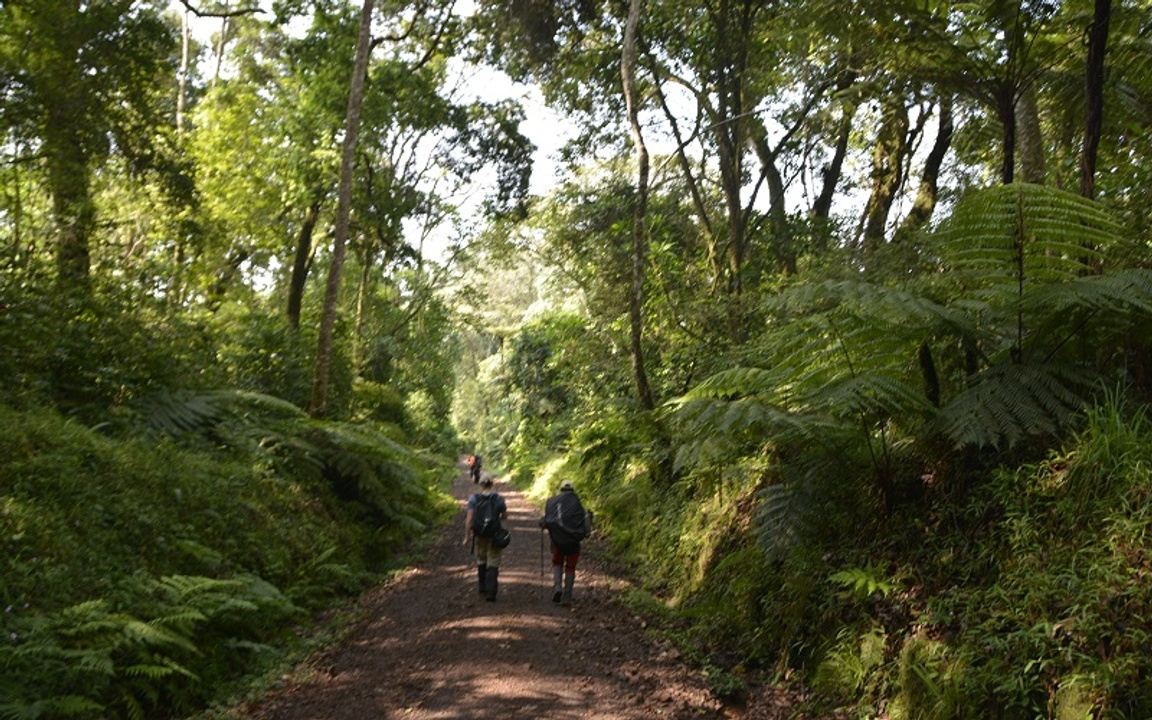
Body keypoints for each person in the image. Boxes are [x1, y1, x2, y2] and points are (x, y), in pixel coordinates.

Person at [539, 480, 591, 605]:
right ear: (572, 490)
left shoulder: (553, 502)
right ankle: (567, 595)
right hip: (573, 542)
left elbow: (546, 521)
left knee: (557, 562)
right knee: (570, 567)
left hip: (557, 541)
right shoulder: (578, 504)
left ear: (561, 489)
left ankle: (557, 588)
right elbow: (586, 523)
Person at [464, 477, 507, 601]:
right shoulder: (499, 498)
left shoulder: (474, 499)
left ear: (481, 485)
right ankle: (491, 592)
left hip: (479, 534)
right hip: (494, 534)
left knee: (481, 559)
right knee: (493, 561)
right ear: (492, 485)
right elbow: (504, 516)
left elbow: (469, 519)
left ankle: (482, 587)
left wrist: (467, 536)